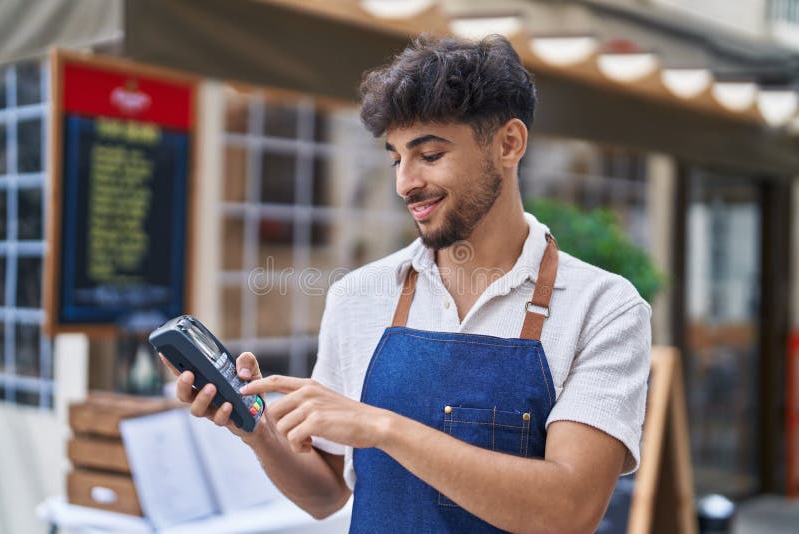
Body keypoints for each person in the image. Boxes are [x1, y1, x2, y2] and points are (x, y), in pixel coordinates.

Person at [163, 34, 651, 533]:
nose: (405, 183)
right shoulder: (357, 298)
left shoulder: (604, 308)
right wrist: (258, 430)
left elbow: (568, 509)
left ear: (508, 144)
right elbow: (326, 494)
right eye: (397, 158)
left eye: (430, 155)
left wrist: (380, 426)